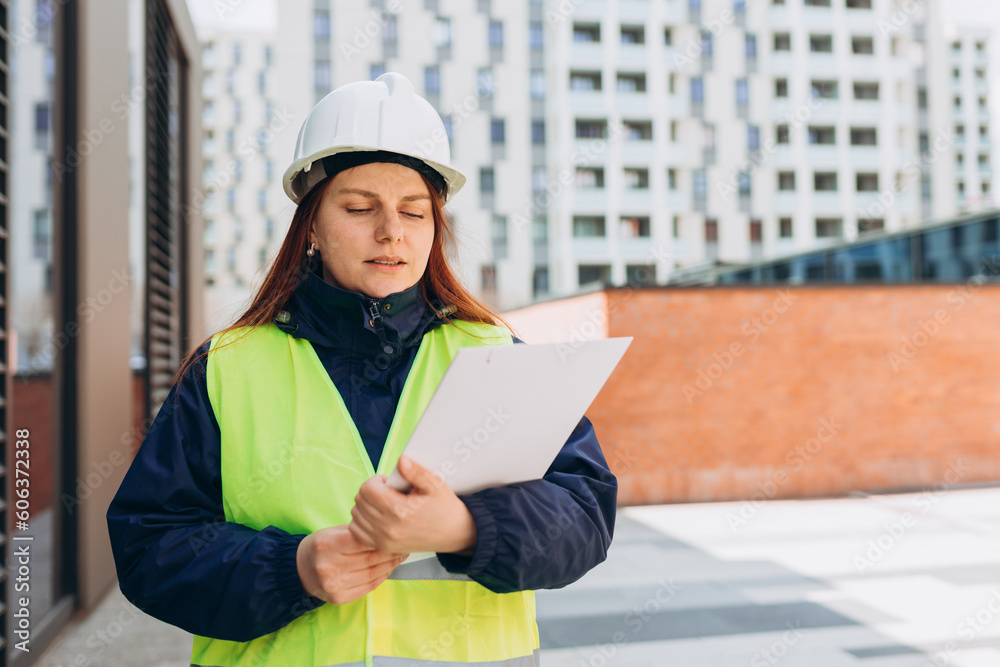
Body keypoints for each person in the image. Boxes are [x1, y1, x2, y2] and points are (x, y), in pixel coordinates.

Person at [107, 72, 617, 667]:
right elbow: (149, 547)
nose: (391, 232)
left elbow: (585, 513)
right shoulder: (226, 369)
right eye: (359, 207)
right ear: (313, 228)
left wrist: (467, 528)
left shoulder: (498, 353)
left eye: (414, 212)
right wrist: (291, 570)